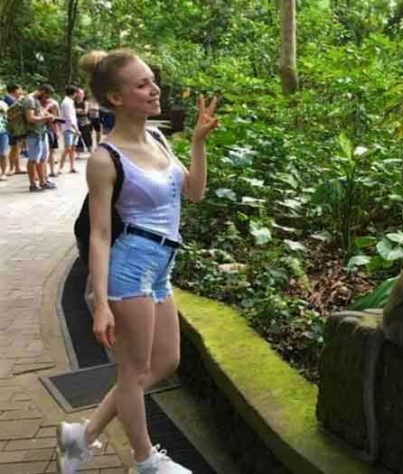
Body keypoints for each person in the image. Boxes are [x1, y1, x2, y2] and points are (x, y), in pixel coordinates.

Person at [56, 49, 218, 474]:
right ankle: (145, 461)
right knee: (133, 371)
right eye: (142, 84)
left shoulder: (158, 140)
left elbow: (195, 193)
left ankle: (83, 435)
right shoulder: (104, 159)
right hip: (130, 265)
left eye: (152, 80)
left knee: (165, 362)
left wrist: (198, 142)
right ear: (116, 97)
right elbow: (100, 233)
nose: (155, 88)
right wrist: (103, 302)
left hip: (161, 264)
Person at [22, 84, 56, 191]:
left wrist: (49, 116)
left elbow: (40, 112)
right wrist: (45, 118)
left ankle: (43, 181)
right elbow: (30, 118)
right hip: (34, 133)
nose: (46, 99)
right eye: (46, 96)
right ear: (42, 91)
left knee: (43, 158)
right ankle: (32, 184)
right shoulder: (30, 100)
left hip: (41, 132)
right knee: (33, 159)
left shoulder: (36, 100)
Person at [59, 85, 80, 174]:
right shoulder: (66, 103)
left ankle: (72, 166)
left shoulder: (70, 102)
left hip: (73, 127)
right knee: (67, 147)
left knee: (72, 148)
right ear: (74, 93)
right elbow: (68, 117)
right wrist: (75, 128)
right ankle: (61, 167)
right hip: (68, 127)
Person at [40, 93, 61, 177]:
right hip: (42, 130)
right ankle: (42, 174)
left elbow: (59, 119)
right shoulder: (38, 103)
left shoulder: (54, 103)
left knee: (51, 151)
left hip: (51, 129)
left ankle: (52, 171)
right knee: (44, 153)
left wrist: (57, 130)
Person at [5, 84, 24, 175]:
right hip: (12, 127)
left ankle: (17, 168)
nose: (21, 91)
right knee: (14, 147)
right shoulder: (8, 100)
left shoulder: (14, 99)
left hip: (17, 127)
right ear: (15, 90)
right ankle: (11, 168)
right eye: (19, 89)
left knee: (18, 147)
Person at [75, 88, 93, 154]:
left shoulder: (85, 103)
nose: (81, 95)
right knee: (77, 137)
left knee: (86, 136)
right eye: (80, 94)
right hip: (76, 122)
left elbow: (85, 112)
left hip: (85, 122)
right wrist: (79, 111)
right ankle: (79, 151)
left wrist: (76, 111)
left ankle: (90, 150)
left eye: (82, 94)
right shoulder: (73, 102)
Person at [0, 101, 8, 180]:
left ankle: (3, 172)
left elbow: (7, 116)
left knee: (3, 153)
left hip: (3, 131)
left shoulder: (2, 104)